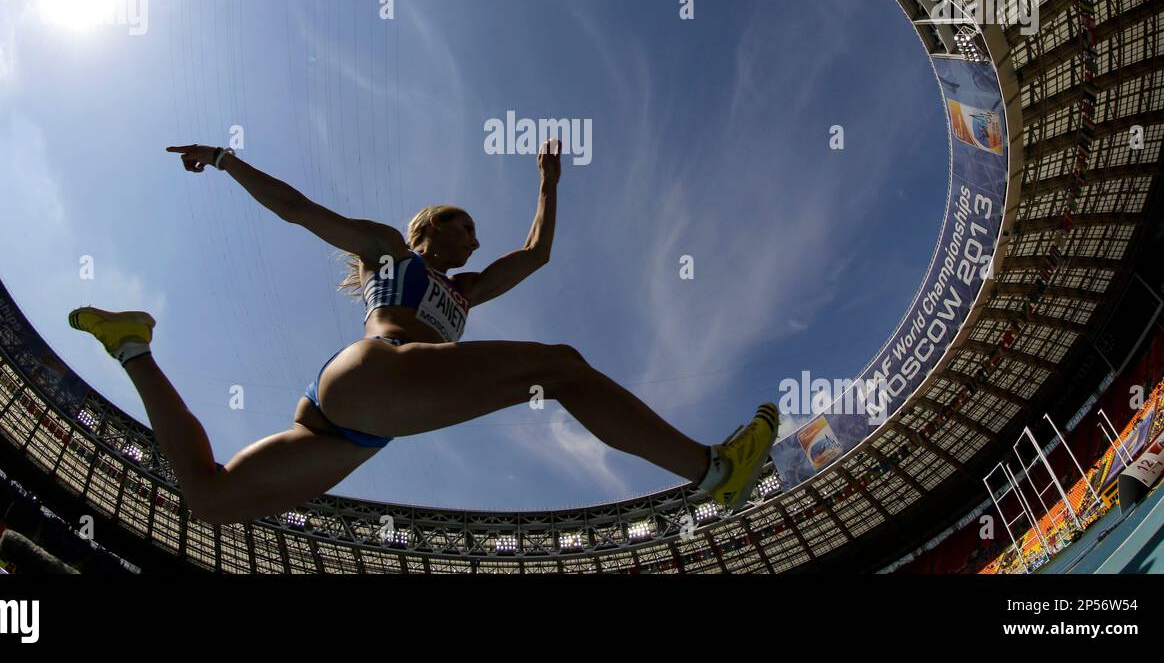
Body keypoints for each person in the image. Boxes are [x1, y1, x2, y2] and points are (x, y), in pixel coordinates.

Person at [68, 139, 778, 525]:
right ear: (428, 226)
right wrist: (226, 161)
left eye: (474, 230)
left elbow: (535, 256)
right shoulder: (390, 252)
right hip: (379, 366)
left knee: (211, 497)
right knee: (562, 366)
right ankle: (714, 471)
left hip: (344, 426)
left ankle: (133, 347)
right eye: (462, 224)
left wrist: (549, 185)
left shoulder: (465, 293)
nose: (473, 237)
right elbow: (297, 208)